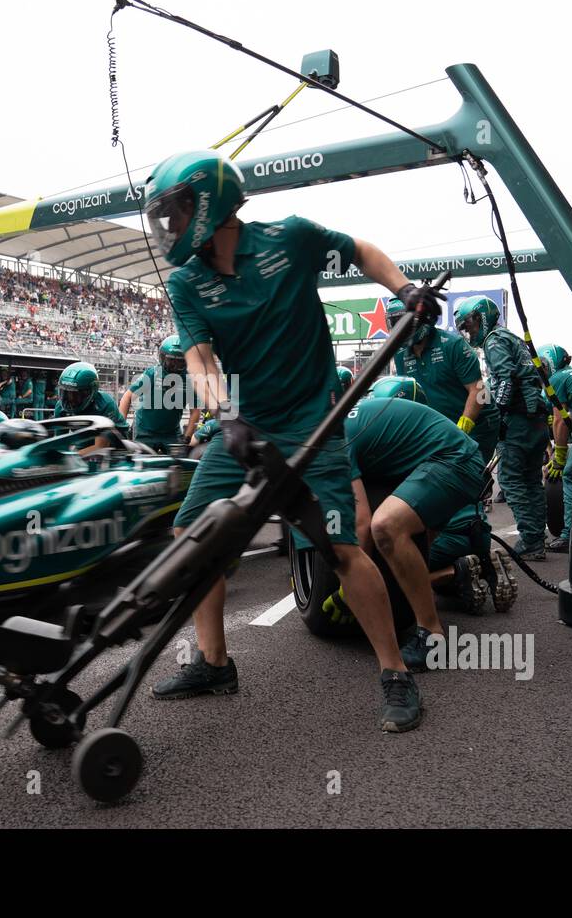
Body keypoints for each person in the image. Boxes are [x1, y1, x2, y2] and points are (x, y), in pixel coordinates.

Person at [142, 148, 441, 733]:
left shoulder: (292, 237)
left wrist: (405, 290)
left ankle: (393, 673)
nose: (169, 226)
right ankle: (214, 662)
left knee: (340, 548)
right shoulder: (187, 282)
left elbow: (360, 252)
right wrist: (224, 413)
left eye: (175, 212)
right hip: (245, 430)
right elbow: (201, 359)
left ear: (208, 204)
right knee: (192, 533)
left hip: (313, 426)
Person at [345, 375, 487, 669]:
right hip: (439, 462)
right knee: (409, 555)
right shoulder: (341, 424)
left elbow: (361, 523)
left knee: (385, 527)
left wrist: (346, 585)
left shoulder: (332, 440)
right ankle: (455, 574)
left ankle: (433, 638)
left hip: (453, 460)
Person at [454, 295, 550, 560]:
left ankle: (531, 540)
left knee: (510, 479)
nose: (469, 331)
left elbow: (505, 382)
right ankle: (536, 538)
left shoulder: (495, 340)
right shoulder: (511, 338)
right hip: (535, 417)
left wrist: (500, 416)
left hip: (519, 419)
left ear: (481, 318)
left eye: (470, 325)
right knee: (531, 480)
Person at [385, 296, 499, 464]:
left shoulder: (453, 345)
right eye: (395, 322)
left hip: (479, 425)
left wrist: (464, 426)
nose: (401, 328)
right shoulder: (400, 355)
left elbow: (479, 390)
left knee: (465, 476)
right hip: (441, 428)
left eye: (405, 321)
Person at [537, 344, 572, 554]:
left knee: (569, 474)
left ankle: (569, 534)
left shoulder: (557, 379)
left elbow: (560, 420)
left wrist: (559, 457)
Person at [119, 334, 198, 453]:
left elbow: (196, 411)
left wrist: (186, 438)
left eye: (179, 363)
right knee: (141, 465)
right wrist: (121, 427)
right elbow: (128, 396)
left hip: (171, 432)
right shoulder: (152, 374)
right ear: (162, 358)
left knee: (178, 465)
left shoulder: (189, 380)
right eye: (171, 361)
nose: (174, 366)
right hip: (144, 431)